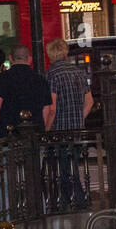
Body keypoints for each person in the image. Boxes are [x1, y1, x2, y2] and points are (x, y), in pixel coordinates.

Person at [45, 39, 93, 207]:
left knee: (63, 168)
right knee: (72, 165)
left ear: (50, 54)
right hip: (77, 129)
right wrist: (80, 118)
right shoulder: (79, 72)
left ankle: (71, 200)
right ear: (65, 53)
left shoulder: (51, 74)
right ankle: (77, 199)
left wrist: (46, 129)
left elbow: (52, 107)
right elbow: (89, 101)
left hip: (59, 130)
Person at [0, 44, 52, 135]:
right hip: (34, 136)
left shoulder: (3, 78)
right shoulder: (40, 80)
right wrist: (41, 131)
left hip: (8, 135)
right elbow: (46, 109)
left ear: (10, 58)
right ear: (29, 59)